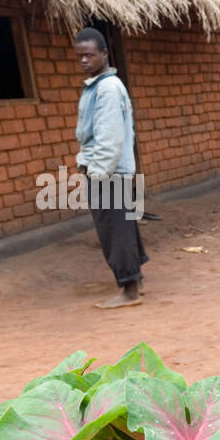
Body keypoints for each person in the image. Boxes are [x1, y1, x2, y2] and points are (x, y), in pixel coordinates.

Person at [74, 27, 146, 308]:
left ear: (104, 54)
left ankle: (128, 291)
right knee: (124, 226)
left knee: (114, 231)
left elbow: (109, 136)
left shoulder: (106, 88)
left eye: (89, 55)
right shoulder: (101, 86)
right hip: (114, 169)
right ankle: (136, 281)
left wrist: (99, 174)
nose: (83, 61)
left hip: (107, 171)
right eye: (80, 56)